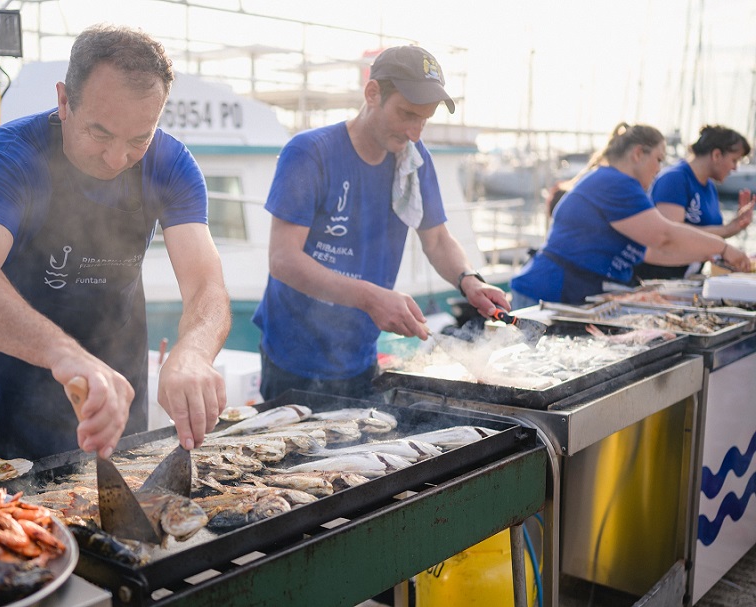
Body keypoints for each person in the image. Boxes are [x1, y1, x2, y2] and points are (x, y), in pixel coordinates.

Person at [0, 25, 231, 465]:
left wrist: (194, 353)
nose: (116, 159)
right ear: (64, 101)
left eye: (137, 140)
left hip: (120, 394)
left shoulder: (171, 164)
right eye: (100, 133)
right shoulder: (11, 155)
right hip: (13, 400)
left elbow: (208, 286)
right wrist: (68, 356)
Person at [251, 45, 509, 401]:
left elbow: (436, 239)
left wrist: (468, 280)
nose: (415, 132)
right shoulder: (310, 153)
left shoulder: (415, 162)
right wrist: (371, 298)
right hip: (294, 359)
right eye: (406, 114)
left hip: (360, 355)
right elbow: (283, 260)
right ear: (372, 93)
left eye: (424, 119)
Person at [509, 122, 752, 308]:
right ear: (638, 154)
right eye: (658, 159)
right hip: (545, 293)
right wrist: (723, 248)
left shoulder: (627, 187)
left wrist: (711, 255)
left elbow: (652, 252)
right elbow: (664, 235)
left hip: (571, 293)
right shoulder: (614, 182)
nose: (659, 169)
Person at [634, 125, 754, 280]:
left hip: (687, 277)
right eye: (734, 160)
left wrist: (735, 226)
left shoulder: (709, 186)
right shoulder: (674, 179)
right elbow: (672, 234)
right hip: (656, 277)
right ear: (716, 155)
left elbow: (706, 238)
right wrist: (726, 233)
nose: (735, 168)